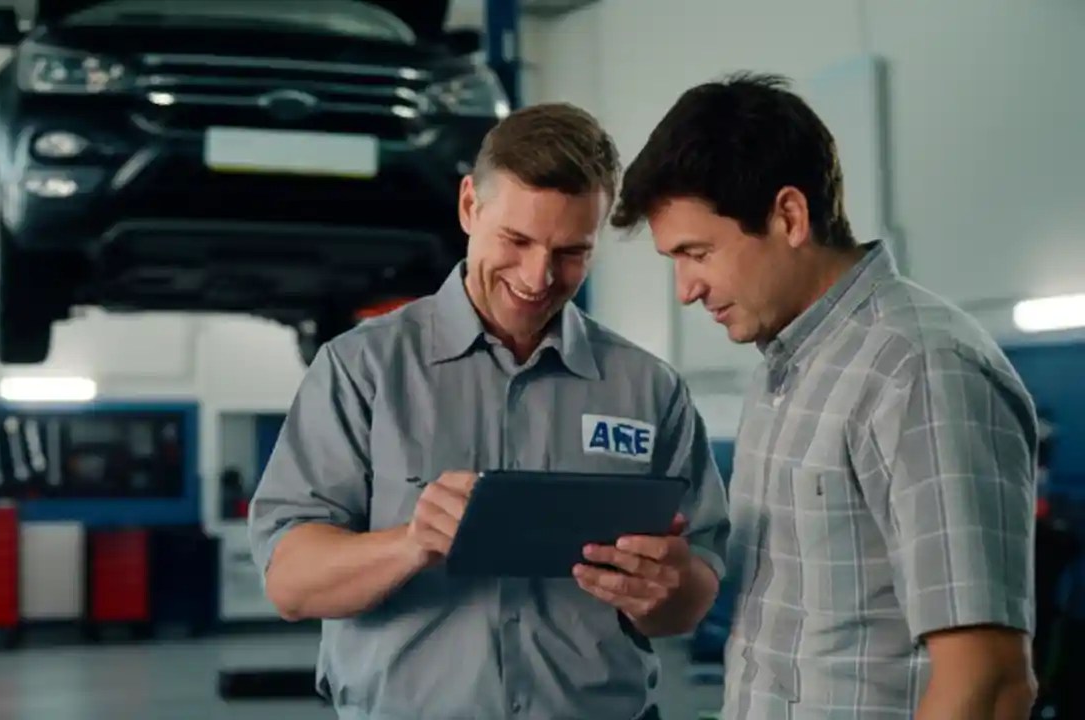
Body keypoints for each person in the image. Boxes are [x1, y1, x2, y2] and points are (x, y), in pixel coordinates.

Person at [248, 102, 731, 720]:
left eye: (571, 252)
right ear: (470, 206)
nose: (538, 276)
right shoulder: (361, 370)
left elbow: (692, 596)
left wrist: (664, 590)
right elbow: (290, 583)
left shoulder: (648, 389)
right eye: (517, 240)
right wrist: (412, 542)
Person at [610, 71, 1040, 719]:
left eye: (697, 252)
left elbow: (988, 684)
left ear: (789, 216)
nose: (685, 290)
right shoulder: (782, 371)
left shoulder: (919, 370)